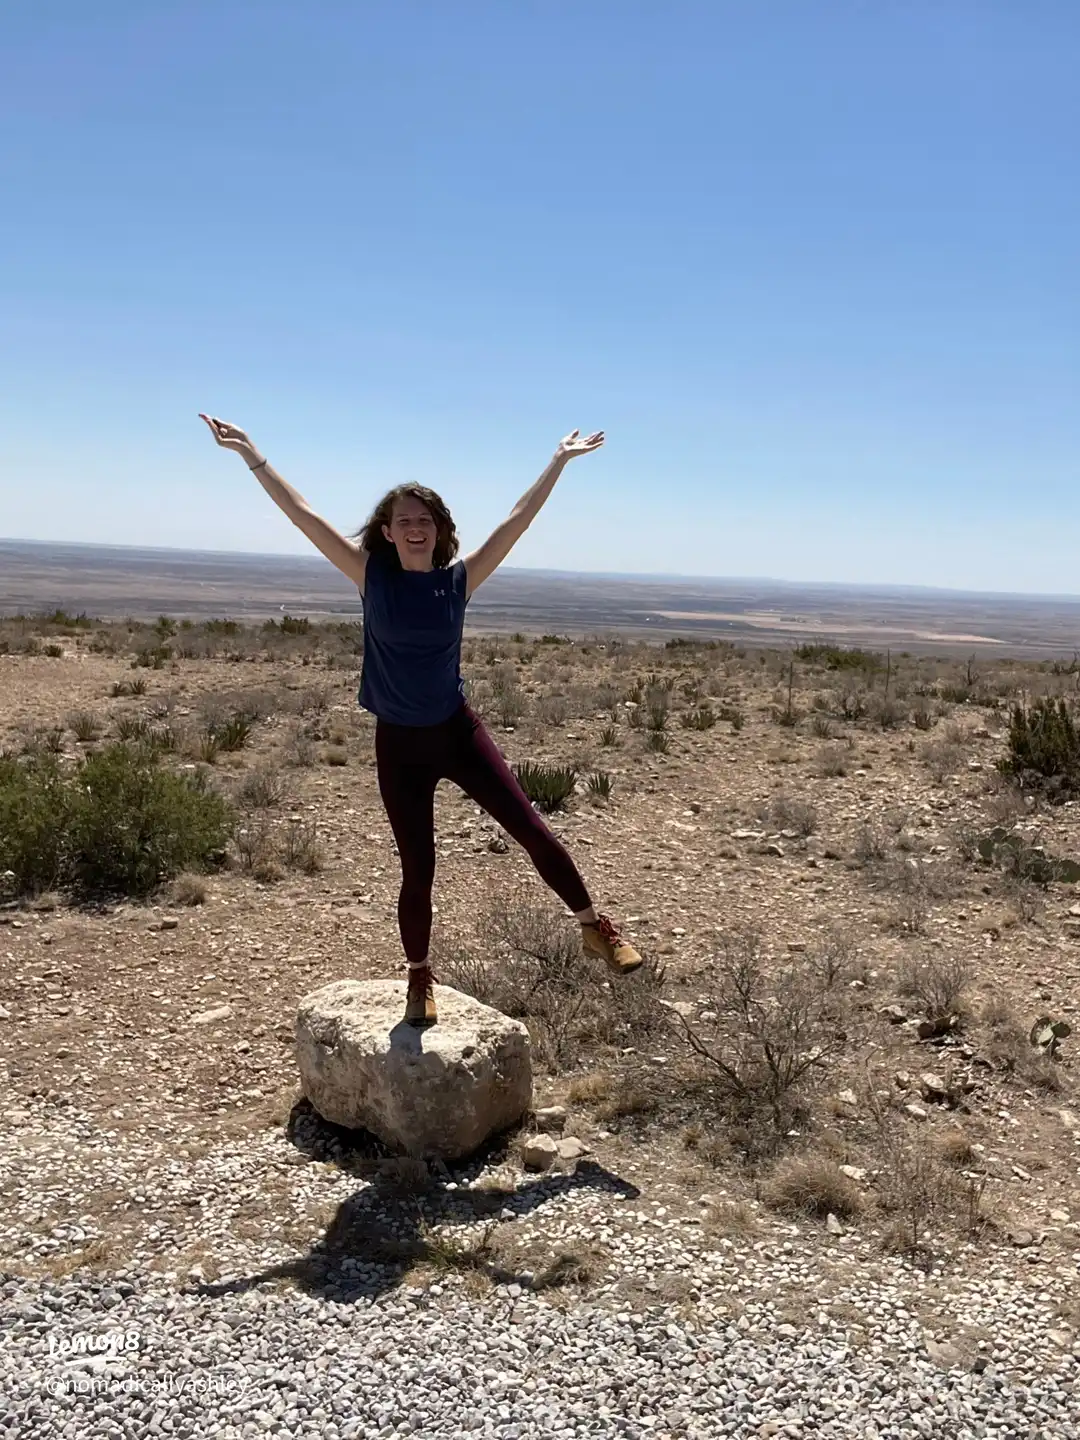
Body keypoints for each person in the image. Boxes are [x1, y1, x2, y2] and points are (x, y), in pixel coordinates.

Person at [199, 413, 643, 1026]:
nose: (414, 527)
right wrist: (251, 453)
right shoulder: (369, 576)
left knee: (533, 830)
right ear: (387, 530)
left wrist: (557, 462)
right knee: (418, 868)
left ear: (439, 531)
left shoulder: (458, 581)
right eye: (403, 519)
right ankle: (419, 978)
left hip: (457, 734)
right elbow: (302, 514)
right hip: (399, 746)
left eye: (424, 519)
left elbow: (517, 520)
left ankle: (596, 927)